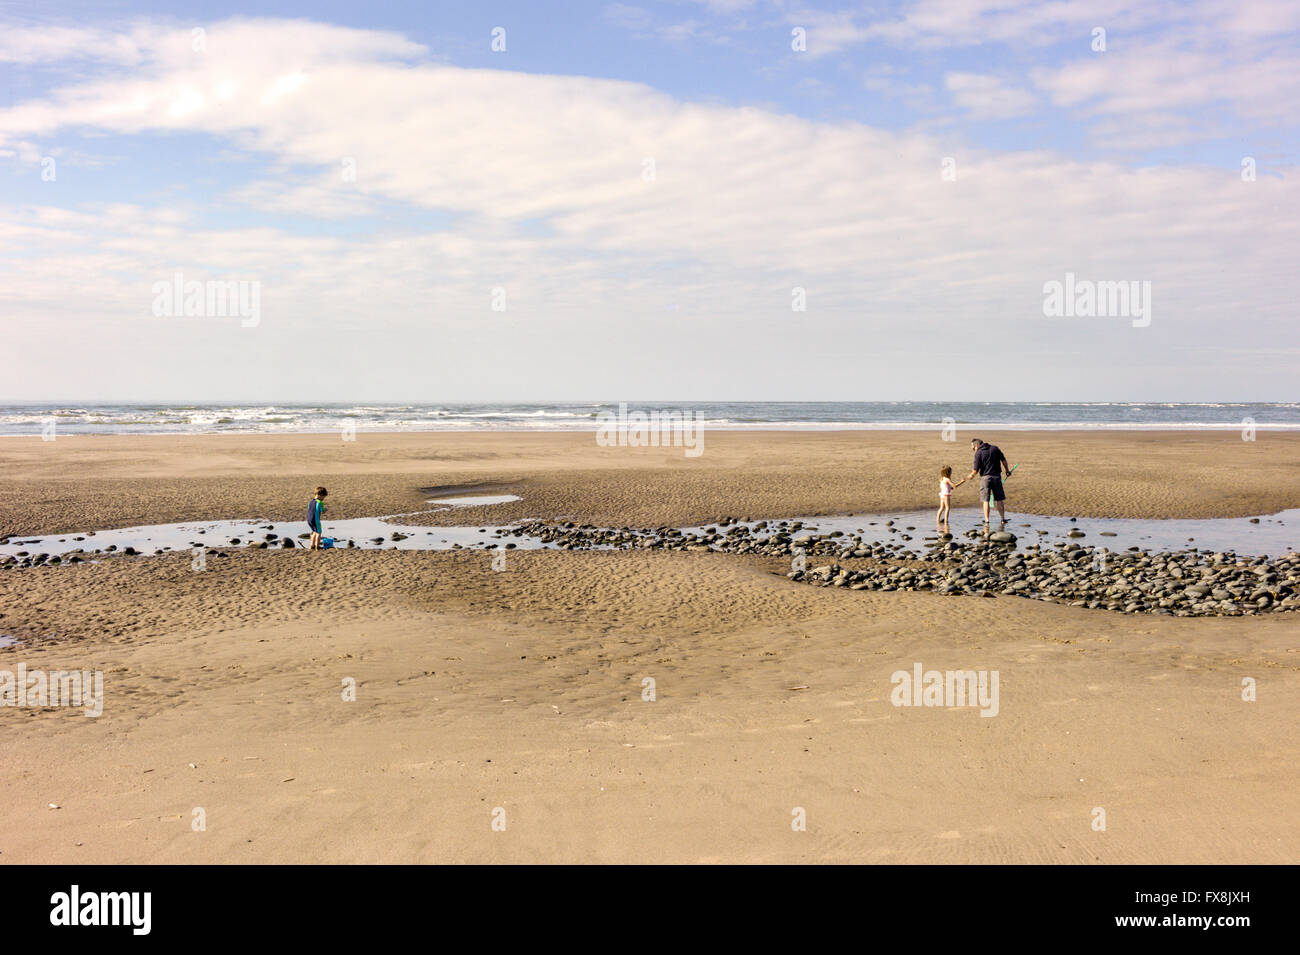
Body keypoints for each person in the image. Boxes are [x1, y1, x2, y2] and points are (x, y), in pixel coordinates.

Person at [964, 438, 1011, 525]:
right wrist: (1007, 470)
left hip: (985, 478)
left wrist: (971, 475)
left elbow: (975, 470)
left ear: (976, 445)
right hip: (997, 477)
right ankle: (1003, 519)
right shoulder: (995, 448)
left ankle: (987, 520)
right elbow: (1004, 460)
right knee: (999, 499)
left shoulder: (978, 453)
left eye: (973, 448)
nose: (974, 450)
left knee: (986, 500)